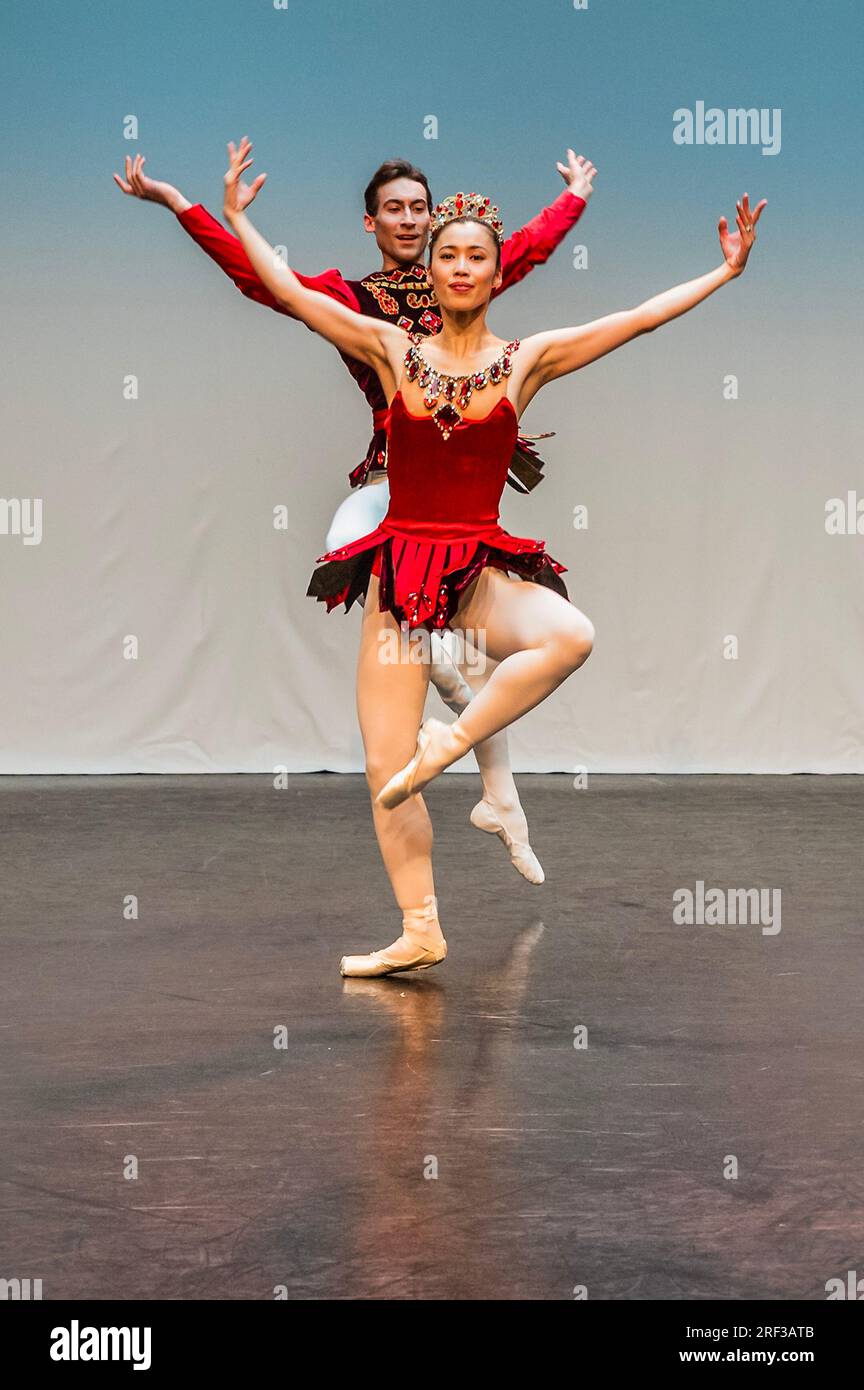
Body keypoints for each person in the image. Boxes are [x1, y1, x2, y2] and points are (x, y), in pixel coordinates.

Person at [220, 141, 765, 978]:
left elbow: (639, 318)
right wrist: (236, 219)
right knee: (381, 767)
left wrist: (723, 275)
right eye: (448, 256)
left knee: (570, 635)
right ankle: (421, 928)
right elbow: (290, 295)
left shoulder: (526, 360)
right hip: (400, 577)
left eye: (478, 256)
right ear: (429, 271)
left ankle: (456, 743)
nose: (462, 267)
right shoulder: (391, 350)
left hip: (475, 574)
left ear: (496, 268)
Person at [113, 144, 597, 883]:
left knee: (457, 630)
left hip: (464, 475)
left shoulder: (457, 270)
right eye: (394, 209)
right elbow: (262, 283)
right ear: (370, 222)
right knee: (356, 551)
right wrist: (183, 204)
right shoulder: (356, 299)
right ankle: (479, 752)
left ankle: (492, 781)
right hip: (394, 475)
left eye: (420, 208)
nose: (410, 221)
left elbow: (525, 246)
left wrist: (575, 199)